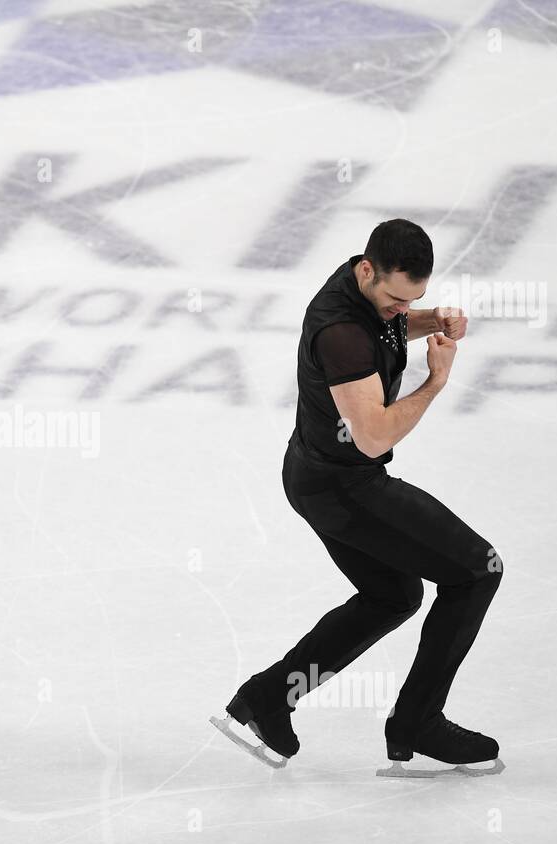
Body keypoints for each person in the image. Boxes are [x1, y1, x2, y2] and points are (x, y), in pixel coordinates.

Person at [211, 219, 504, 776]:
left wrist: (428, 320)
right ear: (368, 271)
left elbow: (387, 325)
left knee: (391, 594)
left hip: (316, 477)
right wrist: (435, 382)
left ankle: (268, 698)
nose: (401, 311)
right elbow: (373, 437)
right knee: (477, 569)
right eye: (397, 299)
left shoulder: (366, 289)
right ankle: (418, 722)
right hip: (346, 487)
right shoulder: (341, 333)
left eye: (412, 300)